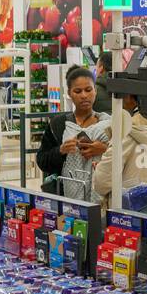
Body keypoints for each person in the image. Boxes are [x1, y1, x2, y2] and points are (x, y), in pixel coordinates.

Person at [93, 86, 147, 209]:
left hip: (127, 213)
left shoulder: (125, 131)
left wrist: (99, 169)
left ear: (130, 98)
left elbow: (102, 182)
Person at [36, 66, 110, 201]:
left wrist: (104, 149)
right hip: (66, 199)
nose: (84, 95)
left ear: (95, 91)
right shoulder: (58, 125)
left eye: (88, 90)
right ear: (69, 93)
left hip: (102, 199)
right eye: (77, 91)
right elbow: (42, 160)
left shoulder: (108, 125)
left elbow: (123, 158)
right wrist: (60, 151)